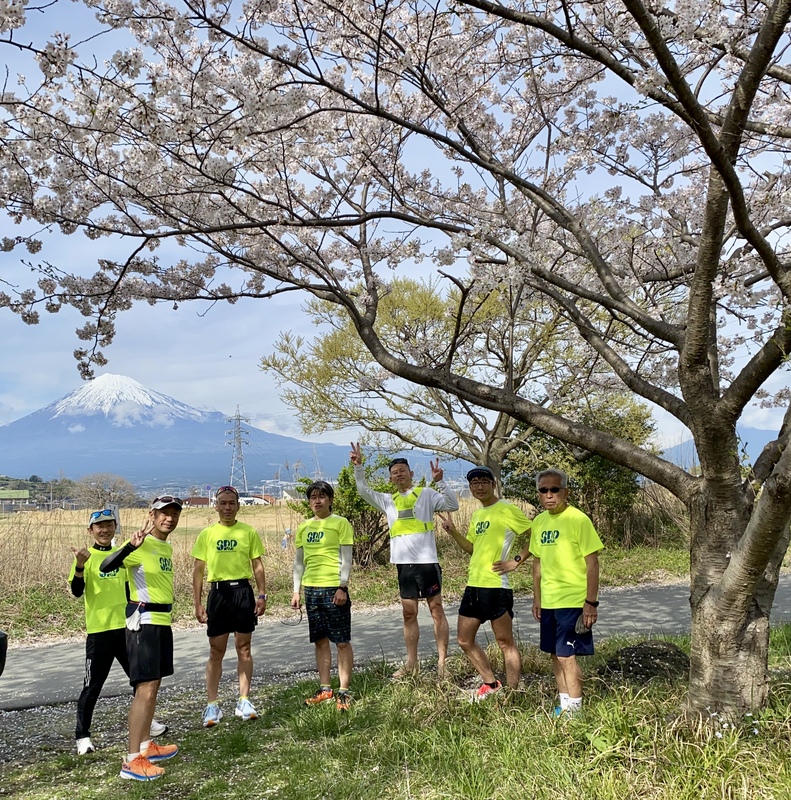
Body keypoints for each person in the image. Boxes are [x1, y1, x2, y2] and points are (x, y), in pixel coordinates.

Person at [349, 442, 458, 678]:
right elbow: (363, 491)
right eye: (394, 472)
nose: (398, 474)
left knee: (436, 611)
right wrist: (358, 467)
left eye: (402, 471)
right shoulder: (388, 501)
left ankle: (442, 663)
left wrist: (440, 481)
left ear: (411, 473)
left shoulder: (426, 494)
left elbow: (452, 505)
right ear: (390, 479)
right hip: (404, 565)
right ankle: (411, 663)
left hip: (427, 563)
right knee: (409, 614)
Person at [69, 508, 167, 755]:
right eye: (99, 526)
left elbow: (131, 586)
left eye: (109, 525)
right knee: (92, 686)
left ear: (115, 527)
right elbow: (77, 591)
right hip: (100, 631)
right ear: (90, 530)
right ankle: (82, 736)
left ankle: (147, 723)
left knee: (141, 681)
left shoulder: (123, 554)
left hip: (127, 629)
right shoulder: (86, 557)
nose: (104, 530)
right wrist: (79, 566)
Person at [100, 496, 183, 781]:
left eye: (174, 514)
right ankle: (132, 760)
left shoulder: (165, 546)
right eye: (164, 513)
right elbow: (106, 566)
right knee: (144, 689)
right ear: (152, 515)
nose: (169, 518)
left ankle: (147, 747)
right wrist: (129, 547)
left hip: (162, 621)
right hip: (143, 623)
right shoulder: (140, 545)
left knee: (154, 685)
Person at [441, 466, 532, 699]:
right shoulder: (478, 514)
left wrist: (516, 561)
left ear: (493, 484)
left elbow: (534, 535)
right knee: (464, 640)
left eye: (483, 482)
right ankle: (491, 684)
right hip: (474, 585)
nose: (479, 487)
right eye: (474, 483)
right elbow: (472, 548)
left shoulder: (507, 509)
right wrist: (453, 532)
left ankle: (513, 694)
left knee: (505, 642)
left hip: (497, 586)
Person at [529, 469, 603, 716]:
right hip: (549, 601)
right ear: (539, 494)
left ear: (566, 492)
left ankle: (576, 711)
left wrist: (590, 602)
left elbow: (592, 563)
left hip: (572, 601)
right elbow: (537, 563)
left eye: (555, 489)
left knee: (566, 656)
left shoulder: (578, 520)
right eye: (544, 490)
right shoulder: (539, 522)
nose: (549, 495)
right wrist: (537, 598)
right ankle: (564, 705)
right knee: (554, 654)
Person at [192, 485, 267, 727]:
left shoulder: (248, 532)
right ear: (216, 506)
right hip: (218, 594)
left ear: (238, 506)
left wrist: (262, 594)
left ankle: (244, 700)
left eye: (231, 503)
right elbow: (198, 571)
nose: (227, 507)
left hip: (242, 592)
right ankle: (212, 704)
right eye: (222, 503)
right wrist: (197, 603)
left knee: (244, 648)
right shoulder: (207, 534)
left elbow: (257, 565)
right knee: (216, 651)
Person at [292, 480, 355, 710]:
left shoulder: (340, 523)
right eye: (313, 497)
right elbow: (299, 562)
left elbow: (347, 557)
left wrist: (343, 586)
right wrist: (296, 590)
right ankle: (325, 688)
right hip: (311, 589)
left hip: (334, 588)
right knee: (320, 640)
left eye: (322, 496)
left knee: (341, 641)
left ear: (330, 500)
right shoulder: (304, 527)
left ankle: (344, 691)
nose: (317, 501)